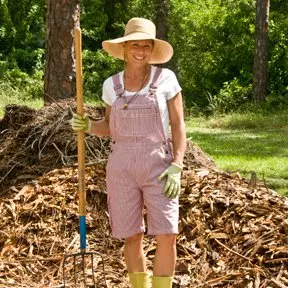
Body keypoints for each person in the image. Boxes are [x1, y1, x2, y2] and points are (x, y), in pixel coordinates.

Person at [71, 17, 186, 288]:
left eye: (146, 46)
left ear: (152, 50)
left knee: (167, 234)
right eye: (136, 45)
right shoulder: (112, 85)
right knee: (132, 235)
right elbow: (110, 128)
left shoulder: (166, 79)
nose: (141, 51)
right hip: (121, 167)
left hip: (159, 164)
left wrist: (177, 165)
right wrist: (88, 125)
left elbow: (179, 125)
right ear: (124, 48)